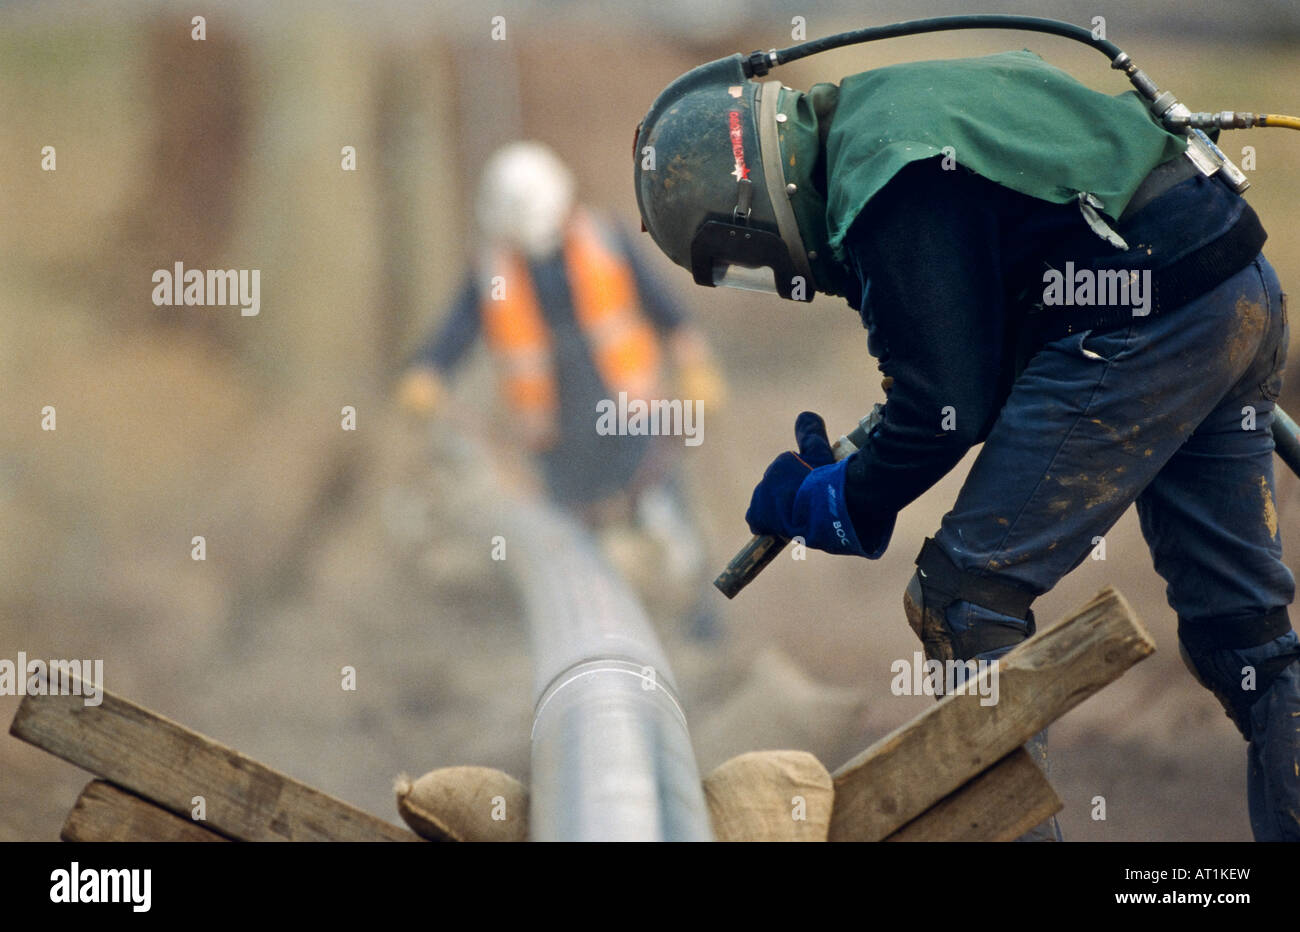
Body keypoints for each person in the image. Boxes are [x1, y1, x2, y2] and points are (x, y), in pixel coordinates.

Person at [633, 47, 1299, 839]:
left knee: (965, 597)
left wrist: (846, 500)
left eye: (748, 258)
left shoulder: (883, 185)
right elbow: (975, 351)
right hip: (1231, 286)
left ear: (751, 204)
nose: (775, 272)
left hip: (1148, 316)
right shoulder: (888, 122)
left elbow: (945, 403)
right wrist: (857, 472)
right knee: (1244, 636)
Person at [399, 141, 726, 639]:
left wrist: (696, 367)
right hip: (558, 437)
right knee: (582, 551)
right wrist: (426, 371)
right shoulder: (493, 272)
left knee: (670, 530)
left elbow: (671, 314)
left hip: (634, 419)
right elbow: (454, 335)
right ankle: (610, 640)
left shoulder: (605, 240)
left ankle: (700, 631)